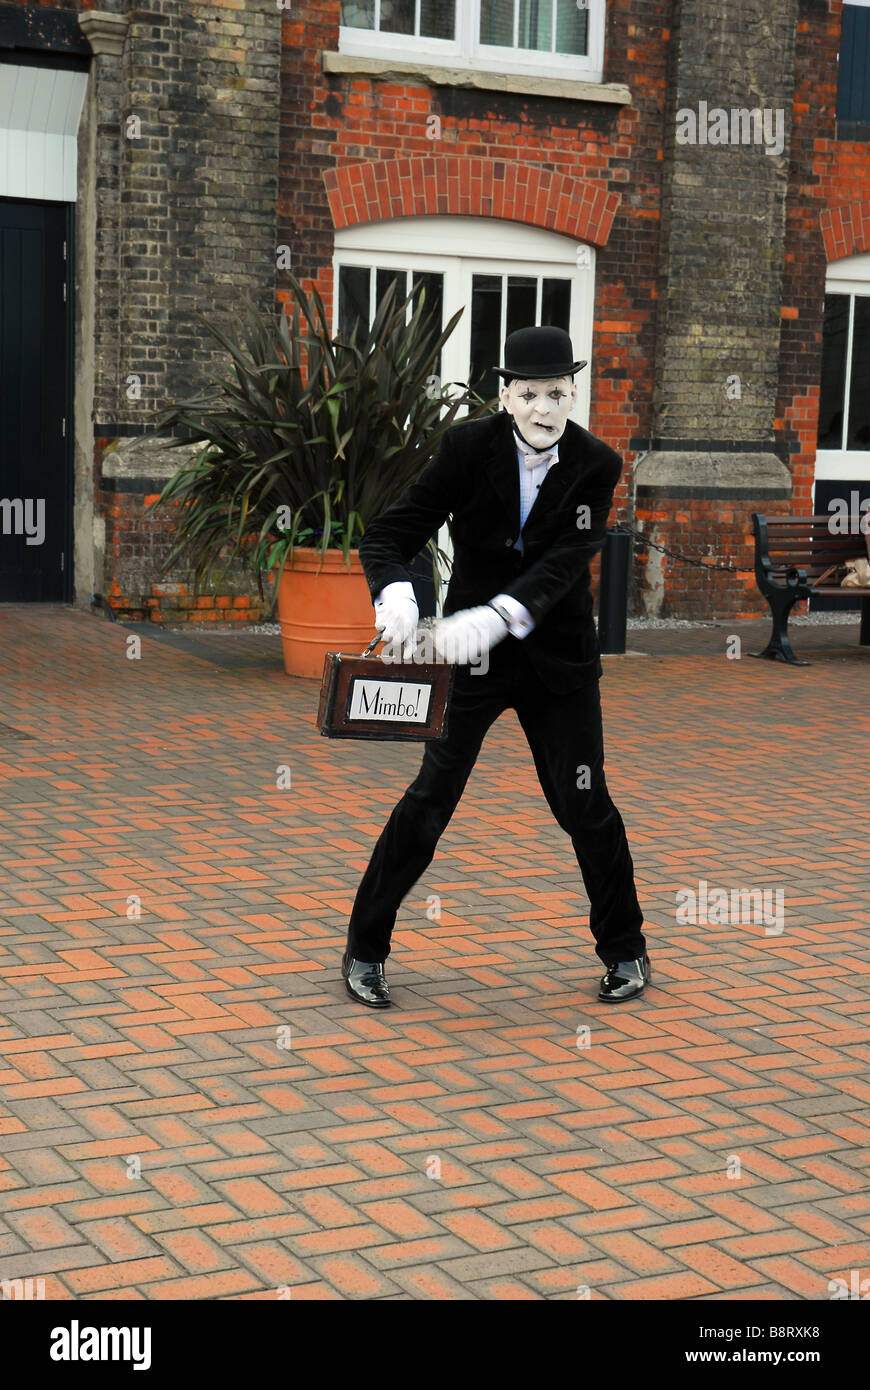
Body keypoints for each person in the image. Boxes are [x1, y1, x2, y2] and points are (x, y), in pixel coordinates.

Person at [341, 326, 649, 1008]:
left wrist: (498, 614)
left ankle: (626, 950)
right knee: (430, 801)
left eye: (560, 394)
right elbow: (391, 532)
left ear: (573, 394)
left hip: (556, 664)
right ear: (505, 394)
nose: (547, 409)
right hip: (470, 663)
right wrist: (395, 593)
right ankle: (365, 950)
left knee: (584, 802)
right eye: (532, 394)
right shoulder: (466, 448)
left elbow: (564, 563)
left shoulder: (596, 463)